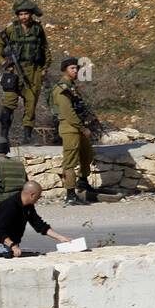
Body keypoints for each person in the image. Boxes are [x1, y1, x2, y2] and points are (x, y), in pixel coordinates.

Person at [0, 0, 51, 145]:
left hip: (34, 71)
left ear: (31, 14)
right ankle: (3, 137)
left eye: (26, 14)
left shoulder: (37, 29)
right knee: (9, 103)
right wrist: (3, 61)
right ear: (17, 15)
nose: (24, 17)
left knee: (30, 105)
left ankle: (27, 137)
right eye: (21, 14)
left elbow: (45, 49)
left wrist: (45, 68)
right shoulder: (12, 29)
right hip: (14, 72)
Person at [0, 180, 71, 257]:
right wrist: (13, 246)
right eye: (38, 196)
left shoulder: (28, 206)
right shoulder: (10, 206)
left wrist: (60, 238)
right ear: (32, 195)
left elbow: (39, 224)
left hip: (11, 243)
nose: (38, 199)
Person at [53, 57, 96, 206]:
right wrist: (83, 128)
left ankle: (83, 182)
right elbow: (68, 113)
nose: (76, 70)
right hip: (70, 128)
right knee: (70, 162)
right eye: (72, 68)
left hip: (77, 127)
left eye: (77, 68)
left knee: (87, 155)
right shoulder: (61, 89)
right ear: (65, 70)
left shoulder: (71, 87)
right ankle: (70, 195)